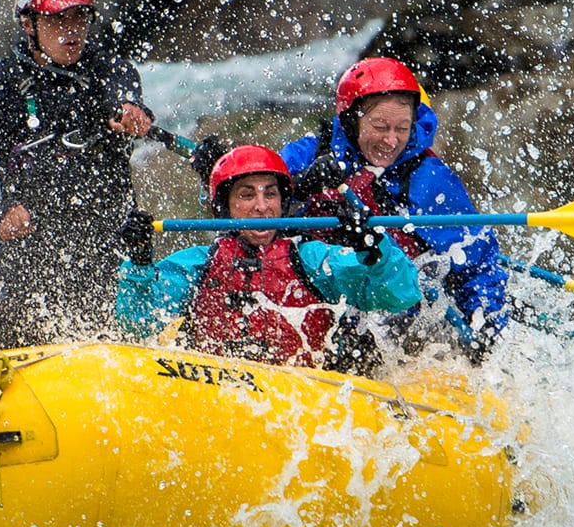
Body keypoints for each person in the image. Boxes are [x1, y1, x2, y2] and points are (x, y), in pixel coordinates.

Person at [213, 57, 508, 361]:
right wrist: (301, 185)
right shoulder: (311, 153)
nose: (390, 140)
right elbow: (242, 210)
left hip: (394, 310)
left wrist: (485, 328)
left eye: (402, 128)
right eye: (379, 126)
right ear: (352, 120)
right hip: (313, 296)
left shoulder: (429, 180)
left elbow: (477, 263)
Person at [0, 0, 154, 349]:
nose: (71, 31)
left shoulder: (107, 68)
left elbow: (124, 92)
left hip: (105, 249)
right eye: (57, 20)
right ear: (28, 24)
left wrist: (131, 110)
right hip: (27, 257)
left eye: (79, 19)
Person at [114, 144, 421, 371]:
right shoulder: (198, 263)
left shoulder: (312, 260)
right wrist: (139, 263)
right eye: (247, 195)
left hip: (301, 402)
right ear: (225, 207)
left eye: (270, 194)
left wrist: (373, 247)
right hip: (210, 396)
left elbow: (400, 295)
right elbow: (136, 325)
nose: (262, 207)